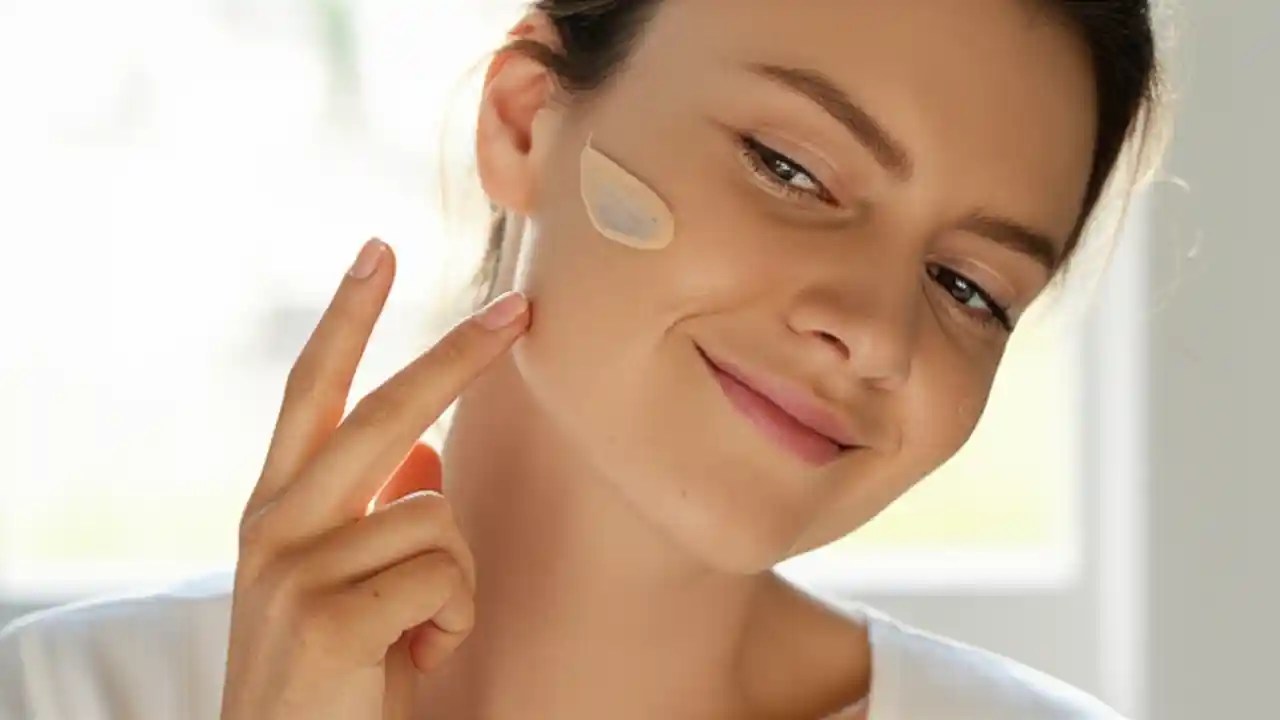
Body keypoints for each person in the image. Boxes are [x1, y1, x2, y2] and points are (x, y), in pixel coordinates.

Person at [0, 0, 1168, 717]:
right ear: (523, 122)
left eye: (968, 288)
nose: (874, 333)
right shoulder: (65, 698)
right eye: (788, 168)